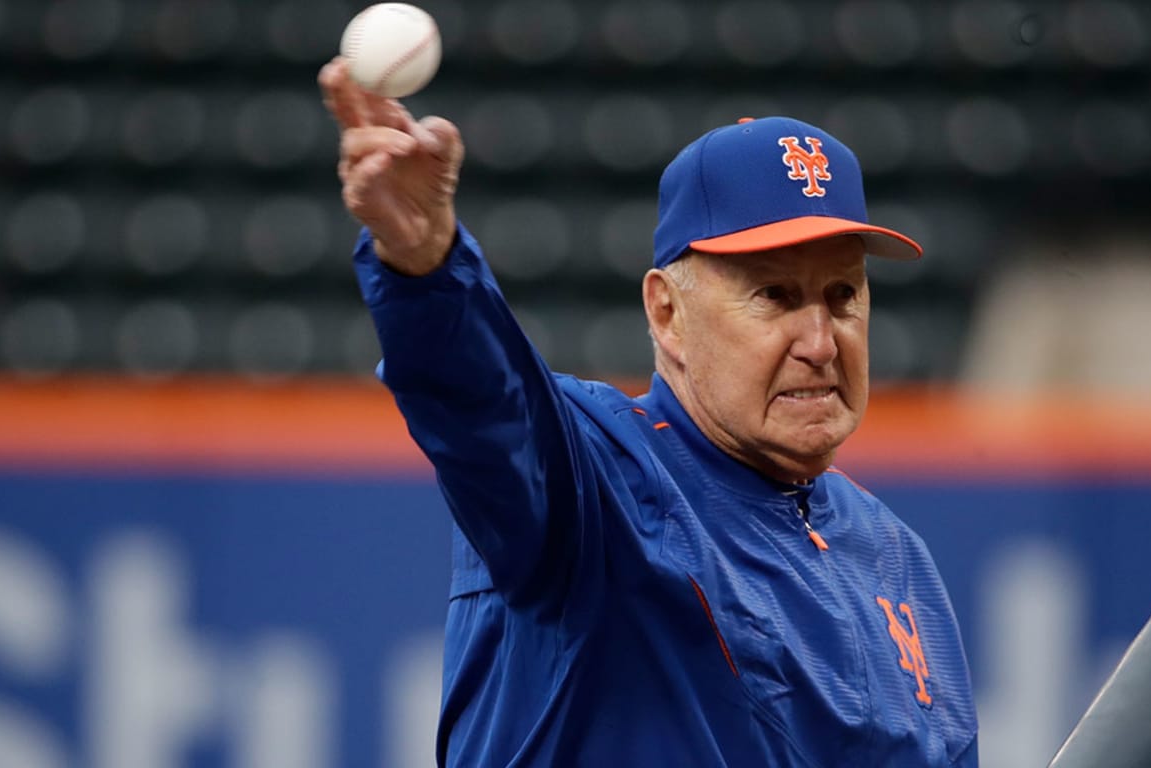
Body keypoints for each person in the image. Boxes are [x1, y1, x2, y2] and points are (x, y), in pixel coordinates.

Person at [318, 57, 979, 767]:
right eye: (776, 297)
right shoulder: (602, 489)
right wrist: (428, 268)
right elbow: (486, 414)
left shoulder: (895, 556)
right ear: (667, 312)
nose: (820, 342)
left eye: (843, 296)